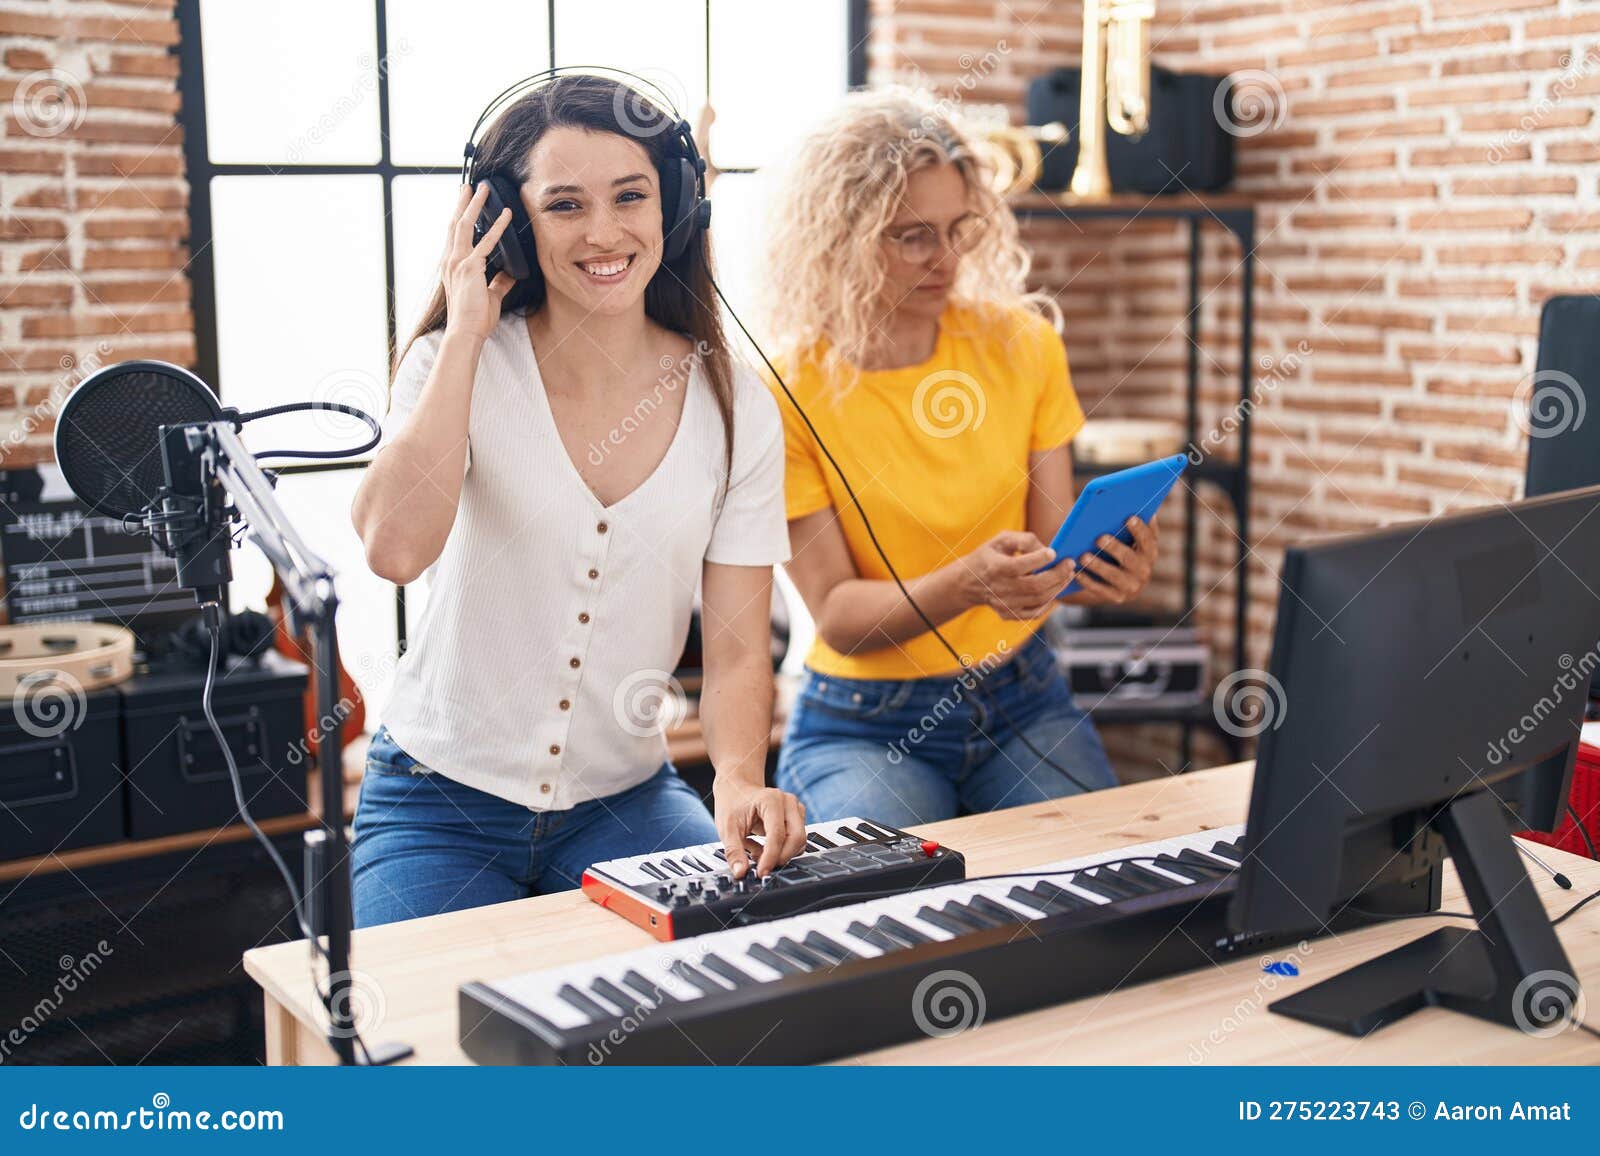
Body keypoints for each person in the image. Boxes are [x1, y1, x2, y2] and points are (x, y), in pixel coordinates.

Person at [349, 75, 804, 928]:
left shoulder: (737, 404)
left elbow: (742, 648)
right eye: (563, 206)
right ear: (509, 227)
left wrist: (740, 776)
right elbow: (394, 552)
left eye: (630, 196)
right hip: (437, 806)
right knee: (412, 1040)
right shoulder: (456, 368)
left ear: (673, 203)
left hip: (624, 804)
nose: (604, 232)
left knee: (725, 991)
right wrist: (470, 332)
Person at [759, 91, 1160, 827]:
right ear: (840, 239)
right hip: (864, 721)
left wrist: (1098, 574)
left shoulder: (1023, 345)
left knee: (1104, 887)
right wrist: (968, 582)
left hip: (1024, 694)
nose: (947, 260)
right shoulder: (785, 390)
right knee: (897, 914)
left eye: (958, 228)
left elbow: (1047, 558)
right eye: (911, 236)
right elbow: (842, 617)